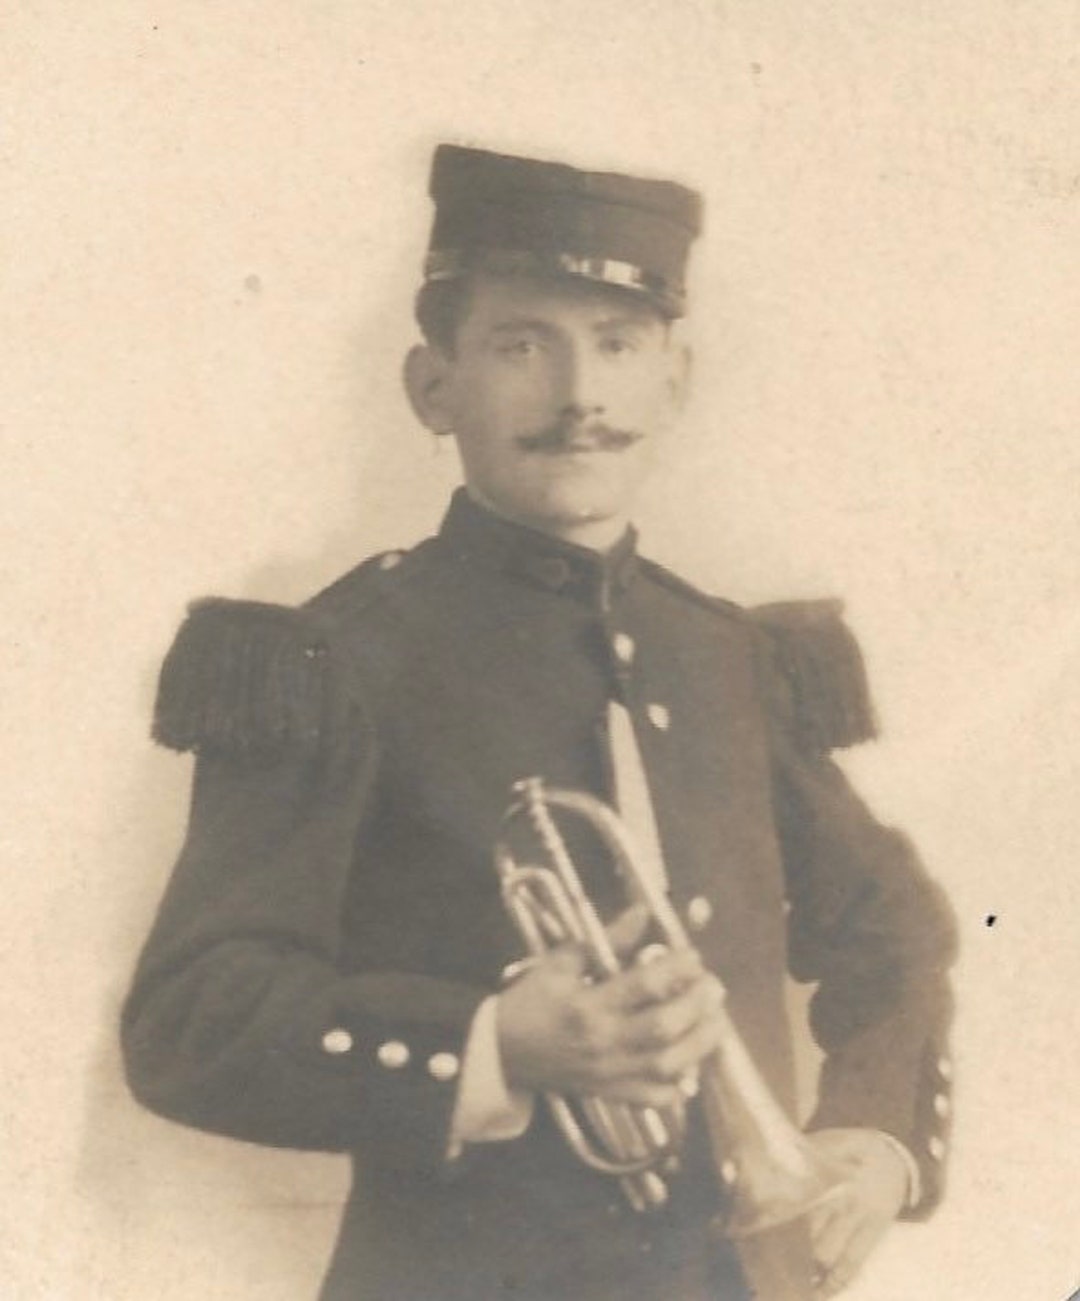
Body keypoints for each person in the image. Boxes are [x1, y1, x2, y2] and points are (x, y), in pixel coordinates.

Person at [121, 144, 957, 1301]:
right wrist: (493, 1038)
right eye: (523, 345)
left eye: (618, 345)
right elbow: (190, 1016)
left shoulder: (733, 654)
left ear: (677, 379)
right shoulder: (333, 656)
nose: (581, 396)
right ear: (433, 385)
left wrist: (873, 1134)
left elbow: (895, 928)